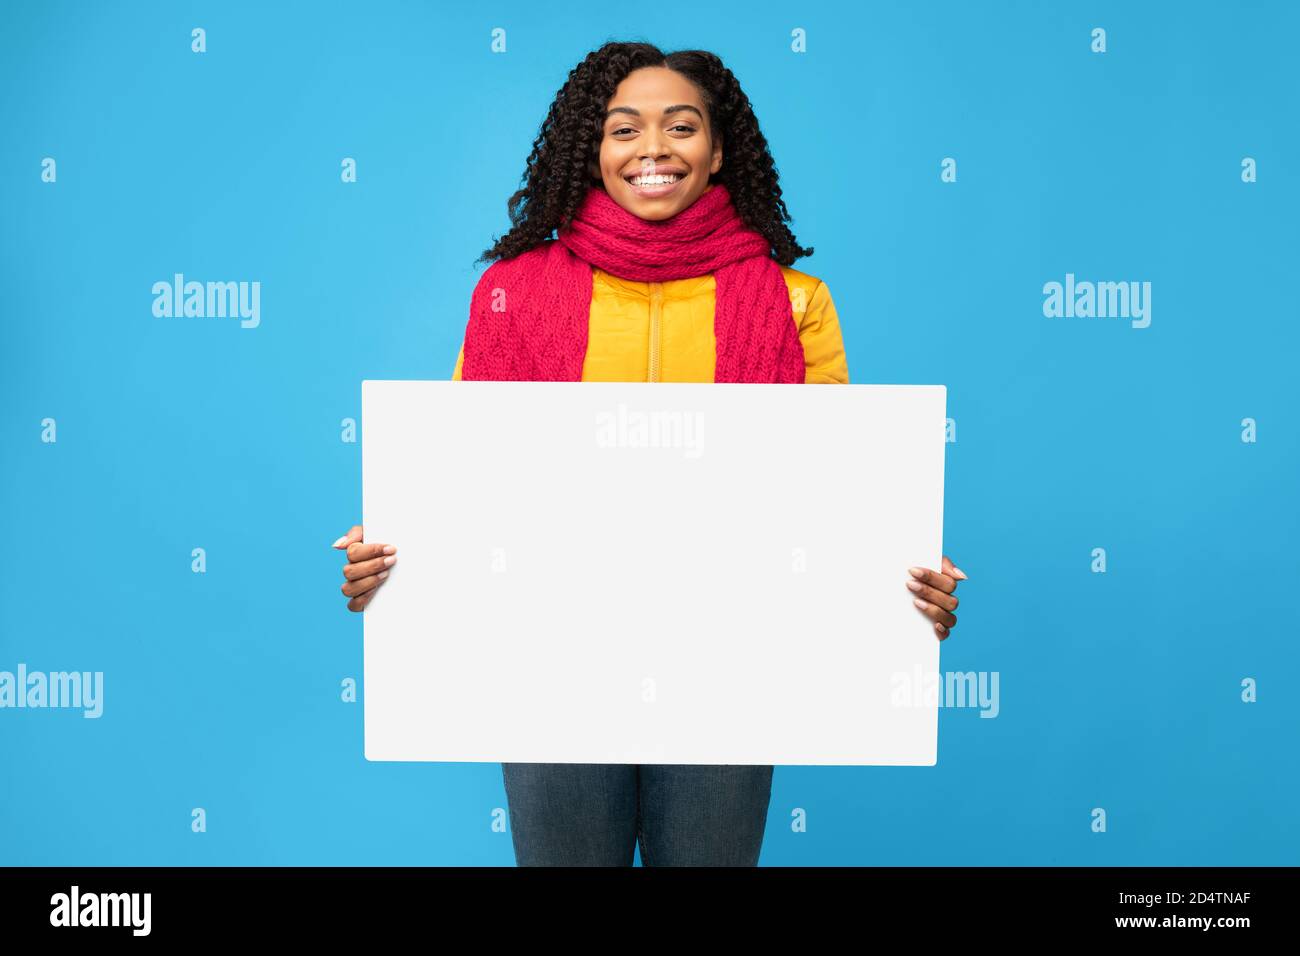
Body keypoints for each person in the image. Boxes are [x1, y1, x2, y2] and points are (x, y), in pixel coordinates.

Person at [333, 41, 967, 866]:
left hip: (730, 671)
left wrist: (901, 593)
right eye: (624, 128)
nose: (654, 149)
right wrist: (390, 564)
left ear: (718, 149)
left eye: (682, 126)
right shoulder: (510, 292)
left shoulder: (795, 303)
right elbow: (462, 479)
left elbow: (830, 498)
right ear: (591, 149)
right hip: (549, 668)